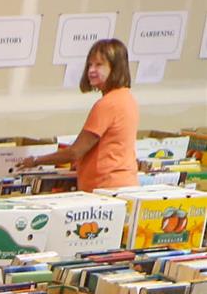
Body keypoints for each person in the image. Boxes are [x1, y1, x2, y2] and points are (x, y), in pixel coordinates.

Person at [21, 38, 139, 190]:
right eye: (90, 64)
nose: (91, 70)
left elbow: (75, 152)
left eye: (99, 65)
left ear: (115, 68)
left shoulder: (107, 104)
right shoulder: (127, 98)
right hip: (122, 184)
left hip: (106, 188)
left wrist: (35, 160)